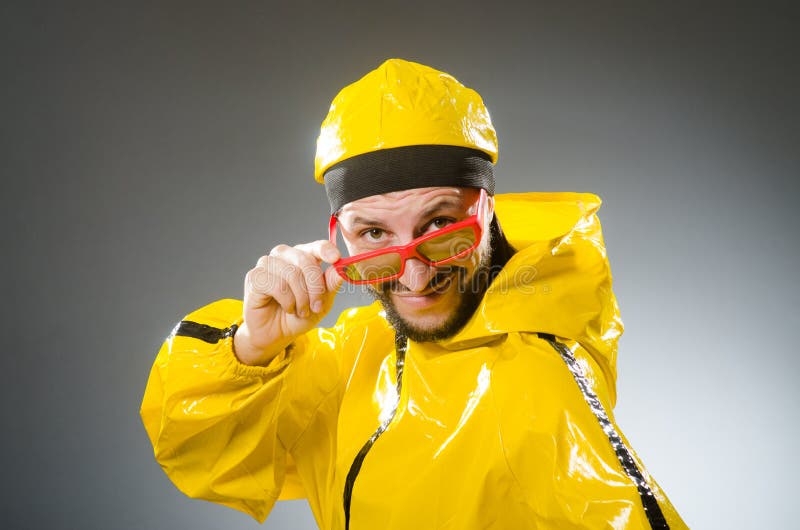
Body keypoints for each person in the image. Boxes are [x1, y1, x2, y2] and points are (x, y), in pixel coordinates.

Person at [140, 58, 687, 529]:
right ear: (338, 235)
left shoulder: (533, 382)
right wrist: (252, 349)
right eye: (374, 234)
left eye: (440, 226)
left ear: (485, 209)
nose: (415, 278)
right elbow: (205, 460)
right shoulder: (360, 350)